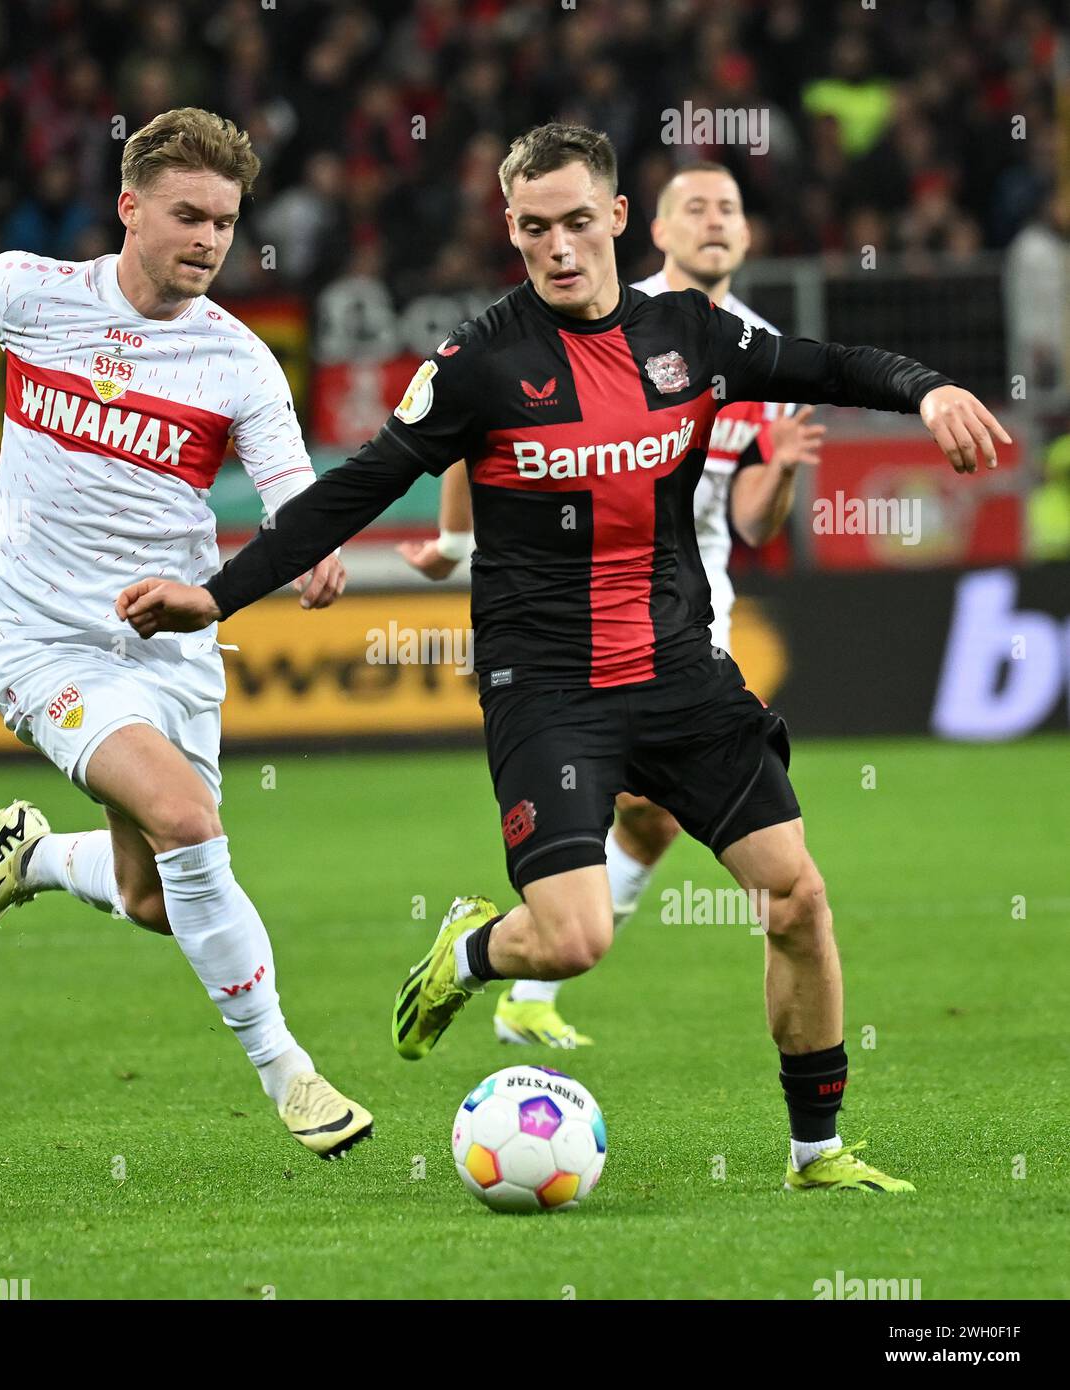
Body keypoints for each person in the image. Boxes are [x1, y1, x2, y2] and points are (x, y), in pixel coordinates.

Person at [111, 123, 1010, 1193]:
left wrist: (927, 389)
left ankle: (815, 1154)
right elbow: (355, 489)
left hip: (680, 671)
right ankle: (473, 953)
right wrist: (215, 595)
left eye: (579, 222)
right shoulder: (478, 362)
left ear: (619, 219)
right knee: (576, 941)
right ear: (511, 230)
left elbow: (828, 364)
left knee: (797, 900)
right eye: (534, 229)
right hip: (548, 691)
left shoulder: (691, 335)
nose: (560, 248)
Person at [0, 107, 373, 1160]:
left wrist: (312, 544)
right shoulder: (38, 292)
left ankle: (35, 857)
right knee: (191, 821)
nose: (210, 240)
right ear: (129, 208)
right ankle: (291, 1074)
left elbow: (290, 486)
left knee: (153, 896)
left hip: (171, 654)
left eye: (224, 220)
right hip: (47, 647)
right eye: (188, 215)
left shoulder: (239, 363)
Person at [399, 161, 826, 1049]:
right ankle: (535, 965)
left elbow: (748, 519)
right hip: (578, 615)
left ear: (748, 236)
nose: (715, 221)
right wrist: (453, 546)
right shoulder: (595, 308)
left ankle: (532, 973)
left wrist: (780, 469)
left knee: (662, 821)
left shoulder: (756, 349)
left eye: (731, 209)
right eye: (695, 207)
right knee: (644, 818)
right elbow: (464, 429)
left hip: (691, 611)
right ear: (651, 229)